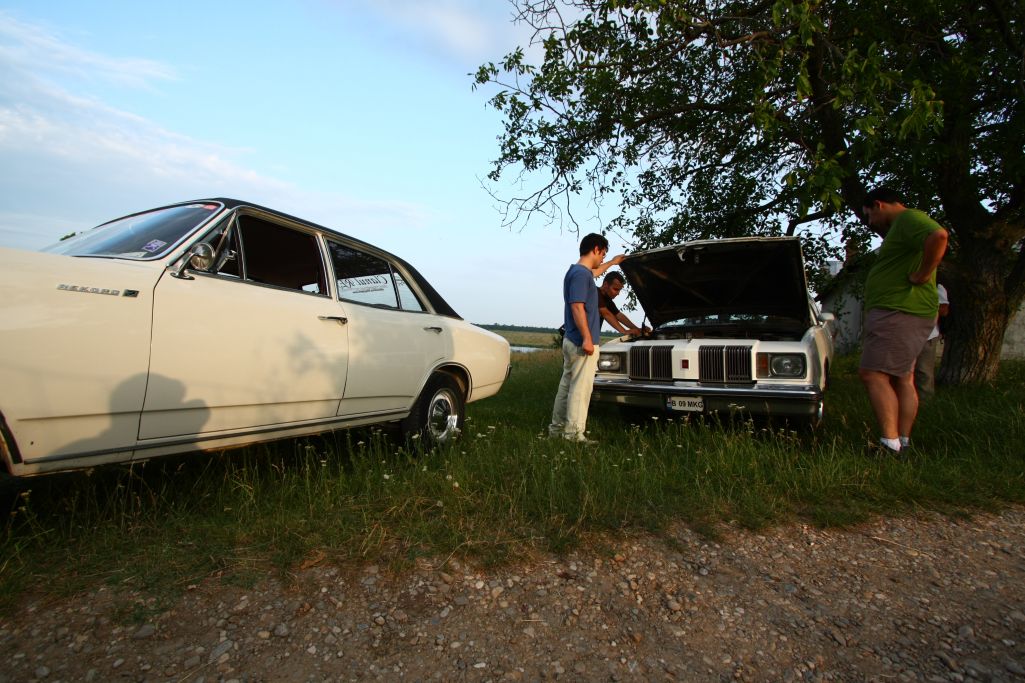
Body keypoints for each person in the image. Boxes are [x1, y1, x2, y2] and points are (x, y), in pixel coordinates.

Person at [859, 187, 949, 454]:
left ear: (879, 205)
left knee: (873, 373)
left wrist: (922, 275)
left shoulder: (908, 219)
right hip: (905, 310)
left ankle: (890, 445)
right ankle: (902, 441)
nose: (870, 222)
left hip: (899, 309)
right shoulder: (905, 226)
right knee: (902, 377)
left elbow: (940, 235)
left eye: (868, 216)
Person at [549, 234, 624, 443]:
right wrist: (587, 338)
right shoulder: (581, 275)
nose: (603, 259)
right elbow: (576, 306)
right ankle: (573, 434)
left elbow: (597, 271)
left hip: (571, 340)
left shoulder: (579, 272)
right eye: (604, 254)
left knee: (566, 387)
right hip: (581, 342)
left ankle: (557, 430)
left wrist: (613, 262)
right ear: (597, 249)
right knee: (580, 390)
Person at [913, 283, 949, 397]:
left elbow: (943, 310)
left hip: (926, 334)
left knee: (923, 372)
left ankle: (925, 405)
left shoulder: (937, 284)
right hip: (902, 334)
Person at [598, 271, 651, 336]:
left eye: (619, 290)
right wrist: (624, 331)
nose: (618, 293)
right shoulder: (595, 293)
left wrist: (637, 329)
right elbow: (606, 314)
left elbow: (619, 315)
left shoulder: (607, 300)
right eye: (615, 289)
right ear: (605, 285)